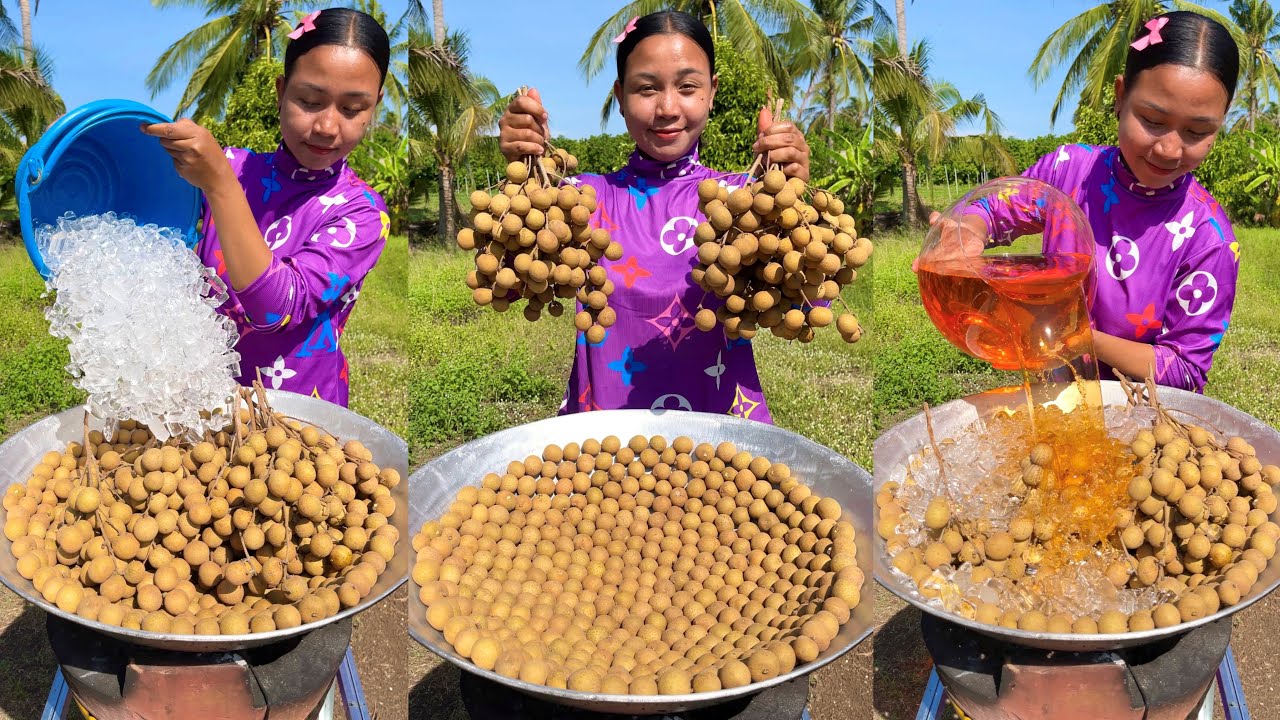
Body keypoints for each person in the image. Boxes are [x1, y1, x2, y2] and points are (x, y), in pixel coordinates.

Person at [498, 10, 811, 422]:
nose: (667, 108)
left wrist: (792, 202)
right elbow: (510, 284)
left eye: (687, 87)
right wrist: (525, 171)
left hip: (721, 432)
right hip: (605, 430)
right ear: (620, 96)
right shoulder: (578, 202)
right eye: (646, 88)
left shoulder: (745, 203)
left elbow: (807, 304)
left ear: (712, 91)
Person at [927, 11, 1240, 394]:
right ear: (1121, 96)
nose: (1169, 149)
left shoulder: (1209, 240)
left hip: (1144, 416)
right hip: (1052, 397)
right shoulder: (1068, 171)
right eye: (1153, 121)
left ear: (1220, 123)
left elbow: (1184, 371)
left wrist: (1077, 337)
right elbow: (995, 209)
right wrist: (968, 228)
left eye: (1197, 131)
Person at [143, 8, 392, 407]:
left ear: (374, 106)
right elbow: (144, 224)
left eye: (352, 109)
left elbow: (277, 308)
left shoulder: (361, 213)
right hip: (202, 400)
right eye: (310, 101)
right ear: (280, 92)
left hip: (298, 415)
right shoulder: (229, 167)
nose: (327, 126)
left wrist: (220, 185)